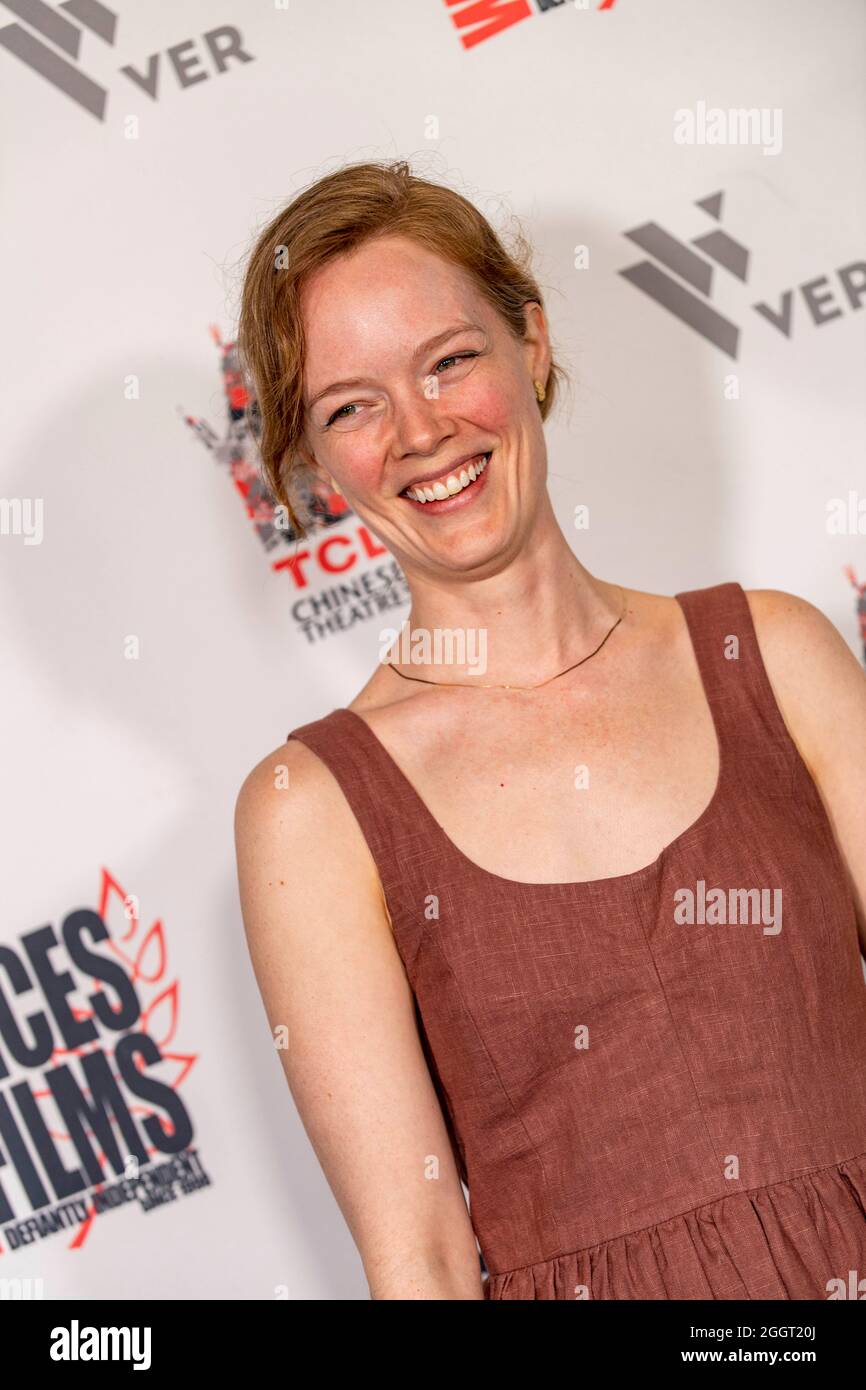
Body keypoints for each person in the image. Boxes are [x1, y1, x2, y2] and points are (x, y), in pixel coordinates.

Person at [233, 159, 866, 1300]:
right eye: (351, 405)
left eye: (448, 360)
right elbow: (418, 1261)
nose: (420, 431)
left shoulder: (772, 655)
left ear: (528, 346)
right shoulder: (313, 812)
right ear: (315, 460)